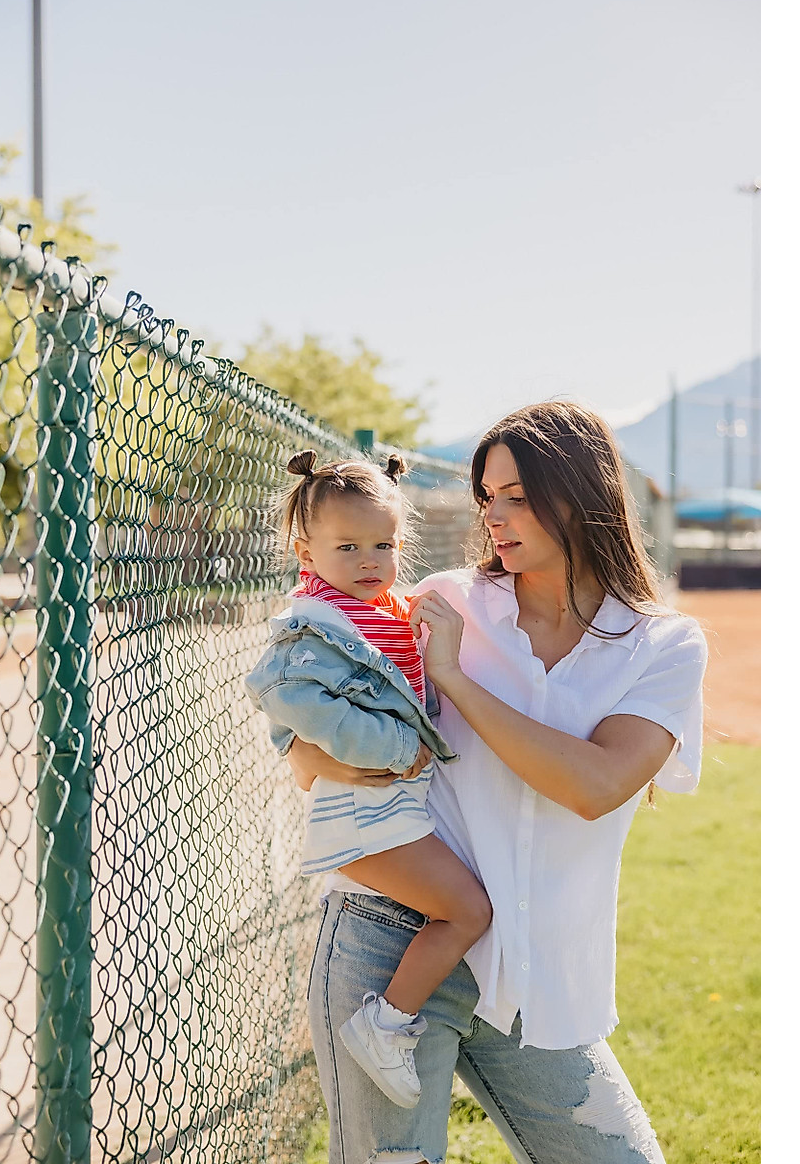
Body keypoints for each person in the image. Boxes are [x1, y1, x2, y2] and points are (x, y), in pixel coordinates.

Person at [286, 401, 708, 1164]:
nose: (496, 517)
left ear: (583, 495)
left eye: (517, 496)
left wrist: (455, 678)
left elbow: (598, 784)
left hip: (536, 968)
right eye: (488, 498)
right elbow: (312, 741)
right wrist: (336, 760)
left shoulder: (663, 645)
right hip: (392, 941)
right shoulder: (441, 601)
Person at [244, 449, 493, 1110]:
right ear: (306, 548)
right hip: (365, 811)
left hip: (388, 805)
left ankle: (391, 1022)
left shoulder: (383, 610)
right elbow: (285, 695)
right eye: (347, 545)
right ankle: (384, 1027)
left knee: (465, 907)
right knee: (467, 910)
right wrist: (394, 746)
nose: (368, 560)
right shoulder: (314, 624)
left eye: (382, 544)